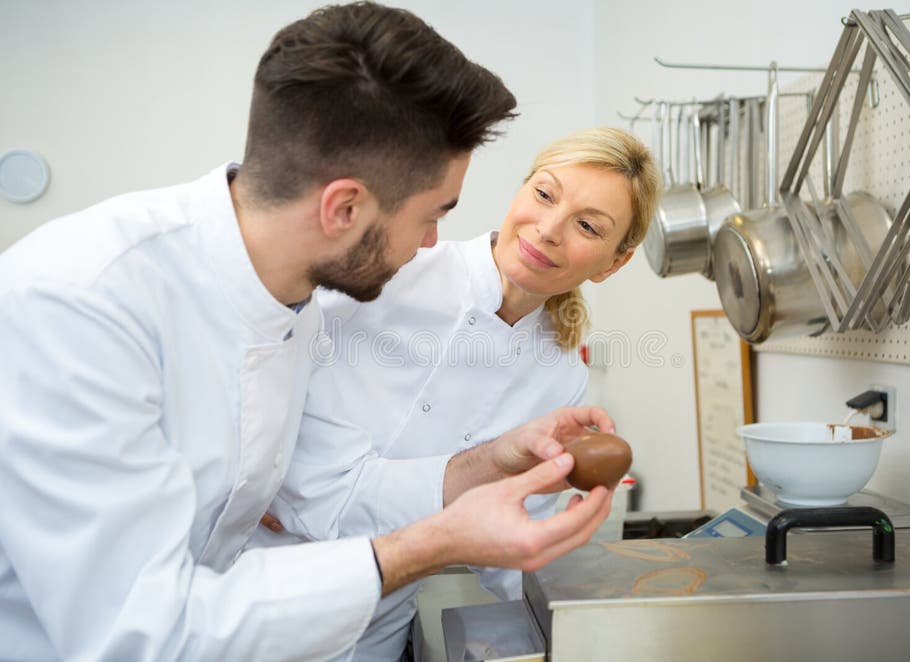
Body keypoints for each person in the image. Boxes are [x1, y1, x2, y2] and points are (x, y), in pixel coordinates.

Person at [0, 4, 614, 660]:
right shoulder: (79, 301)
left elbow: (331, 487)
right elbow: (137, 632)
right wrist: (433, 544)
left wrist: (495, 462)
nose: (435, 243)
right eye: (432, 216)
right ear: (344, 208)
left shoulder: (288, 301)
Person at [257, 127, 660, 661]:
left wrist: (591, 616)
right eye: (544, 194)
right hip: (253, 604)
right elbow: (293, 474)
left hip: (371, 638)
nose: (548, 229)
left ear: (613, 263)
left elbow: (512, 546)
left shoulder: (561, 375)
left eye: (587, 226)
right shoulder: (386, 272)